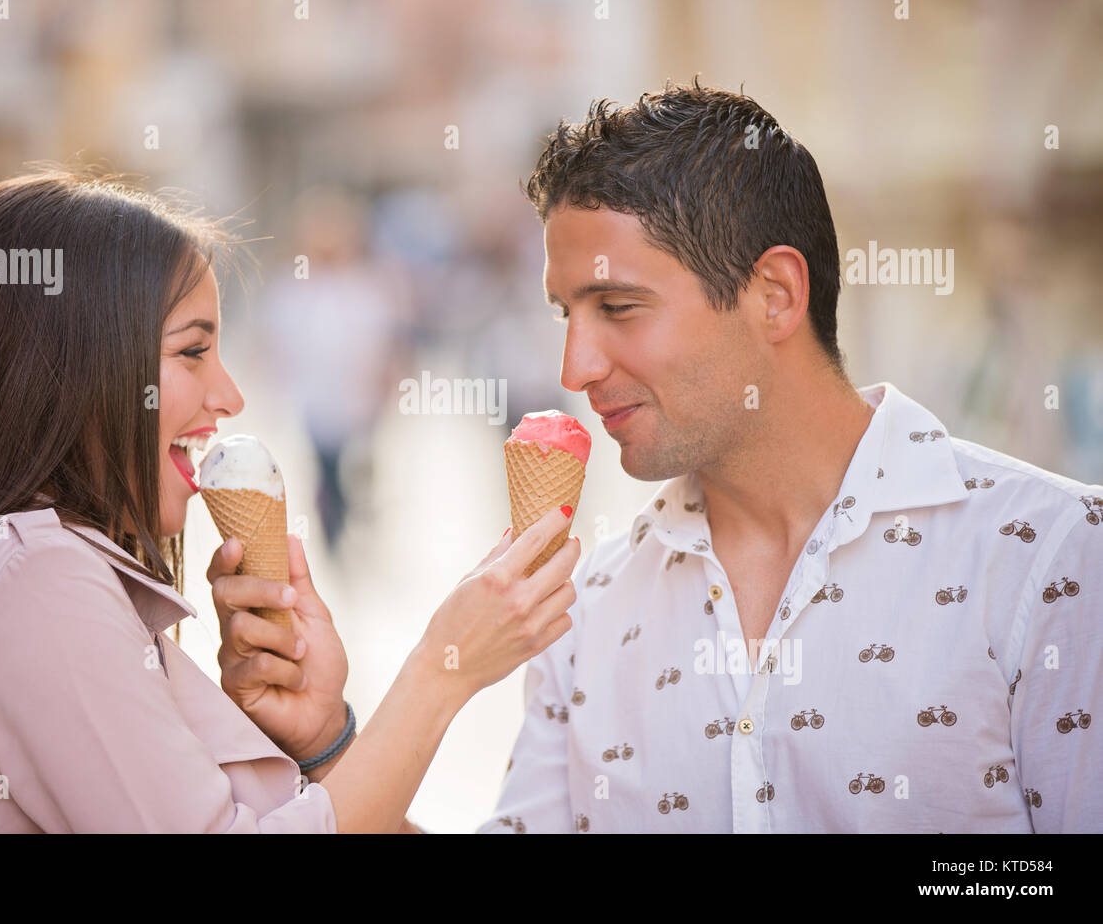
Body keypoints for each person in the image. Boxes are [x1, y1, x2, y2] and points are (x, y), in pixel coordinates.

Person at [222, 79, 1103, 833]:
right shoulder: (591, 606)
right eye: (567, 312)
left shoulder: (1049, 555)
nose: (575, 367)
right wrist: (331, 740)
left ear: (775, 295)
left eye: (618, 306)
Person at [0, 168, 580, 833]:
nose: (229, 396)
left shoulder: (35, 573)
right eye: (191, 352)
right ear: (68, 373)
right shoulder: (38, 579)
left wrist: (322, 738)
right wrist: (441, 669)